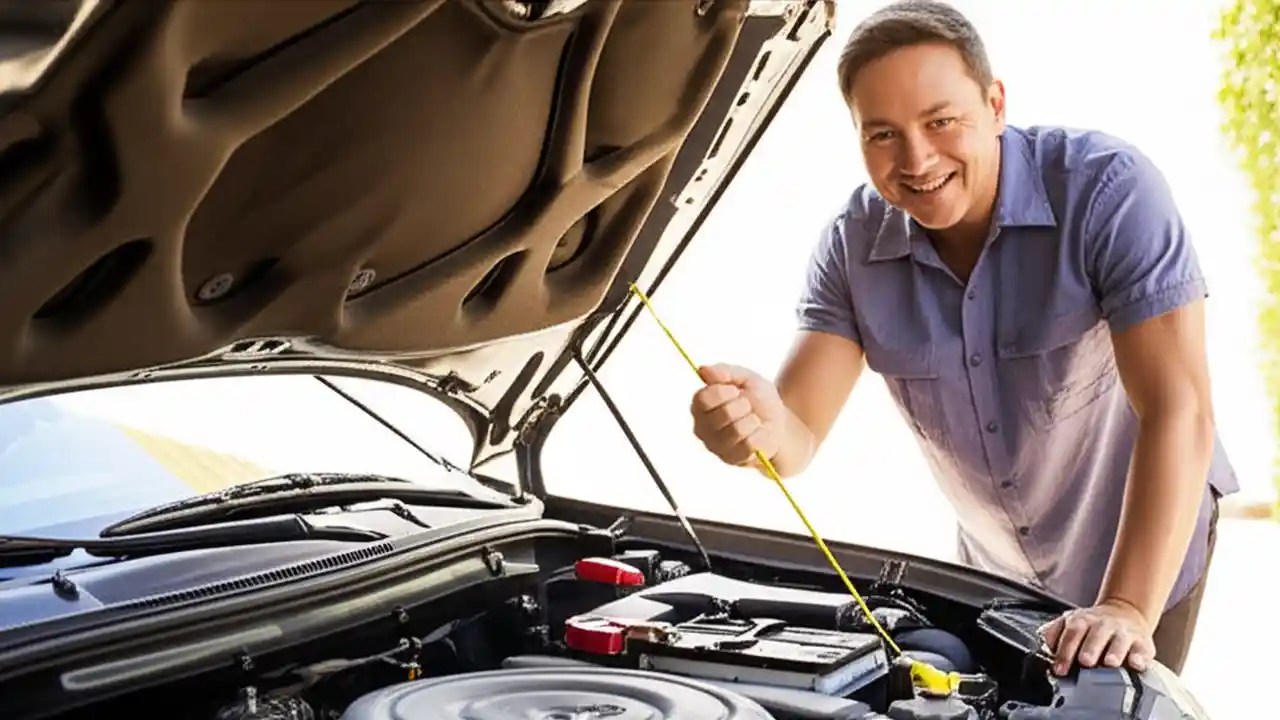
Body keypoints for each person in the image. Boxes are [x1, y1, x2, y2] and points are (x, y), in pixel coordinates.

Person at [688, 0, 1236, 677]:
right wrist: (755, 430)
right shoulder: (853, 245)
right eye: (882, 134)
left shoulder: (1109, 191)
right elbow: (794, 434)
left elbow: (1180, 411)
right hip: (996, 571)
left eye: (942, 121)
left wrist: (1124, 605)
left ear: (996, 104)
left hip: (1145, 551)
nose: (917, 159)